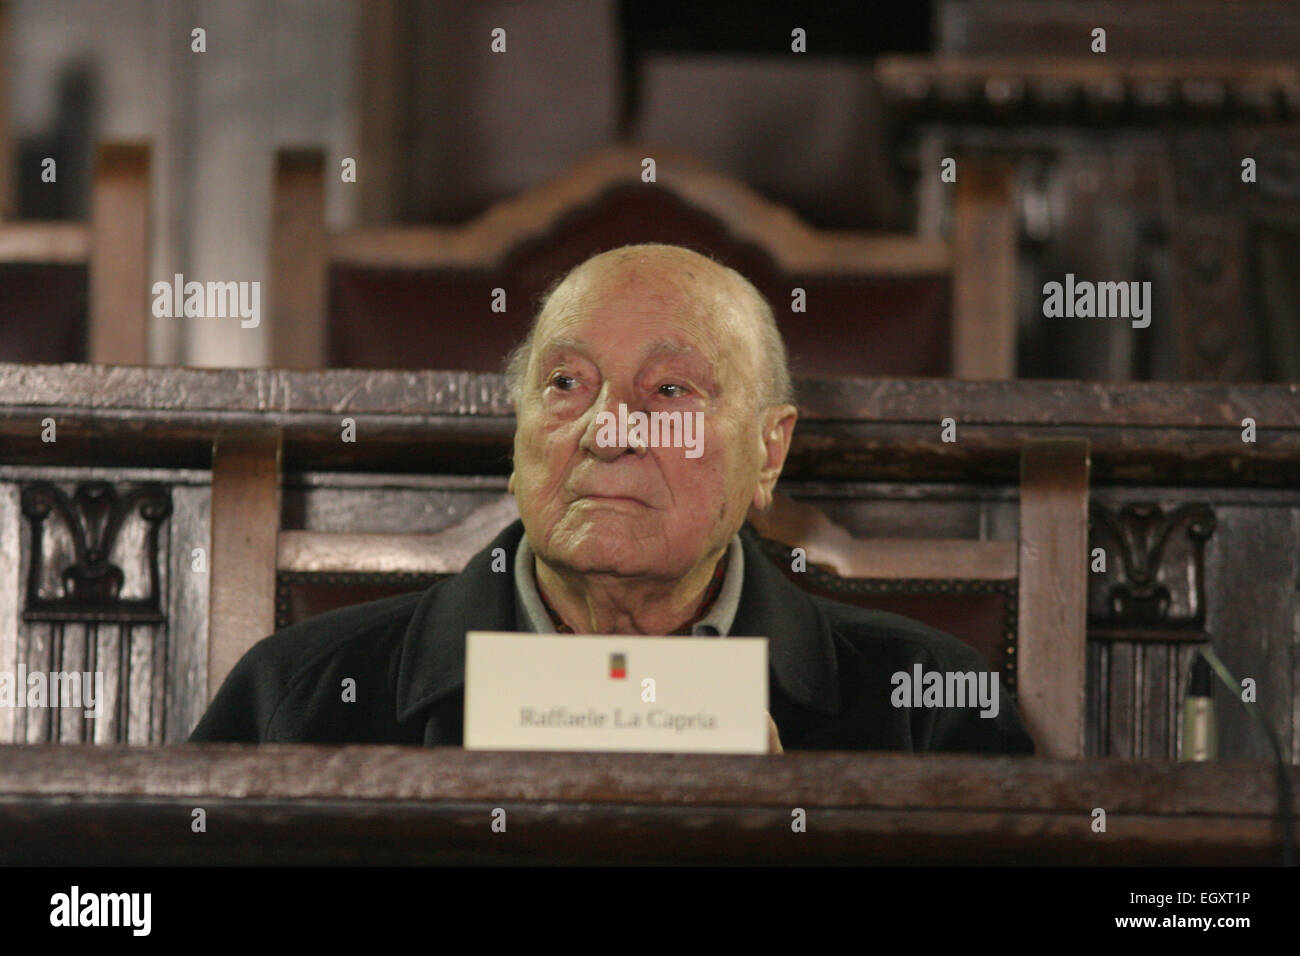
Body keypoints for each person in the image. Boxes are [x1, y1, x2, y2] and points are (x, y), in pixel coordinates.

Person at [189, 243, 1034, 755]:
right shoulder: (298, 696)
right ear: (518, 441)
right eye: (566, 383)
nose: (608, 430)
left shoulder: (930, 704)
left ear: (769, 450)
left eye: (668, 391)